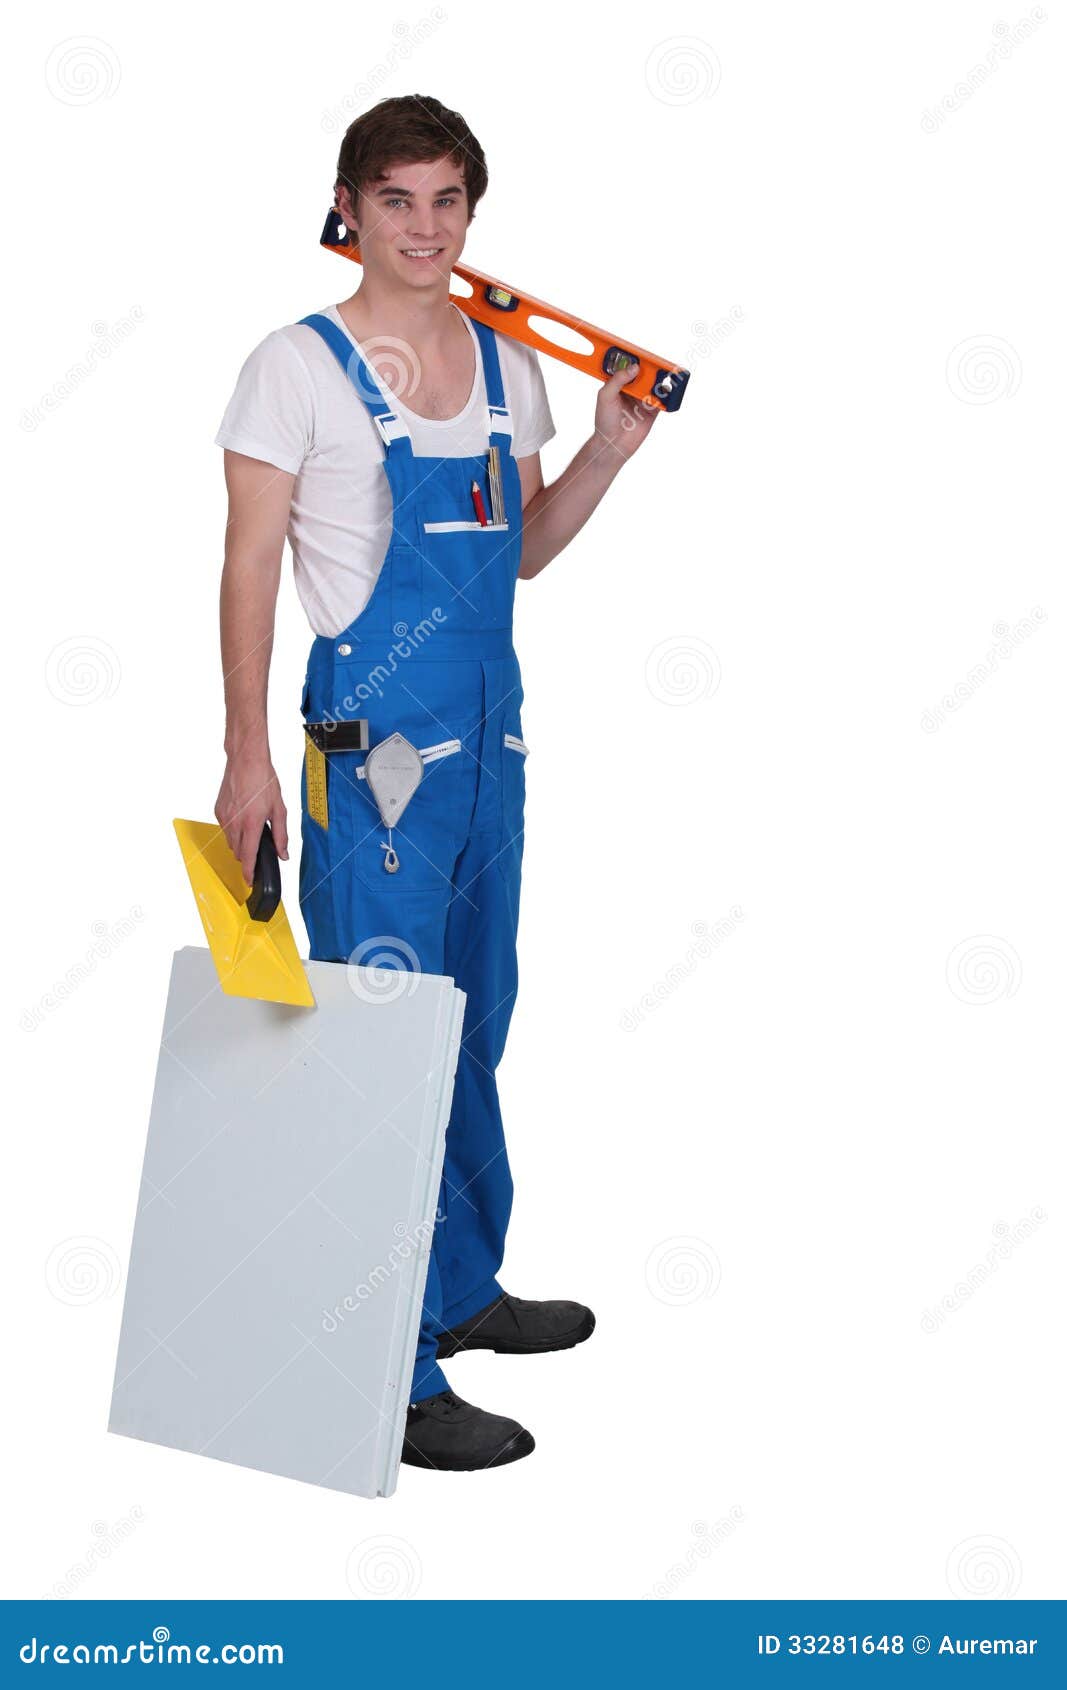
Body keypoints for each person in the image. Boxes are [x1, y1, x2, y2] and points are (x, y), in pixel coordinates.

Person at [213, 93, 658, 1472]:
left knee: (474, 1020)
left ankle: (457, 1286)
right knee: (373, 1047)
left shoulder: (507, 361)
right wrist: (242, 755)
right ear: (346, 206)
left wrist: (606, 448)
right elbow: (243, 570)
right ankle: (384, 1371)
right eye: (396, 199)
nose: (424, 226)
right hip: (373, 764)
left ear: (473, 212)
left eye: (448, 200)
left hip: (490, 743)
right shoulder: (295, 368)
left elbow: (520, 550)